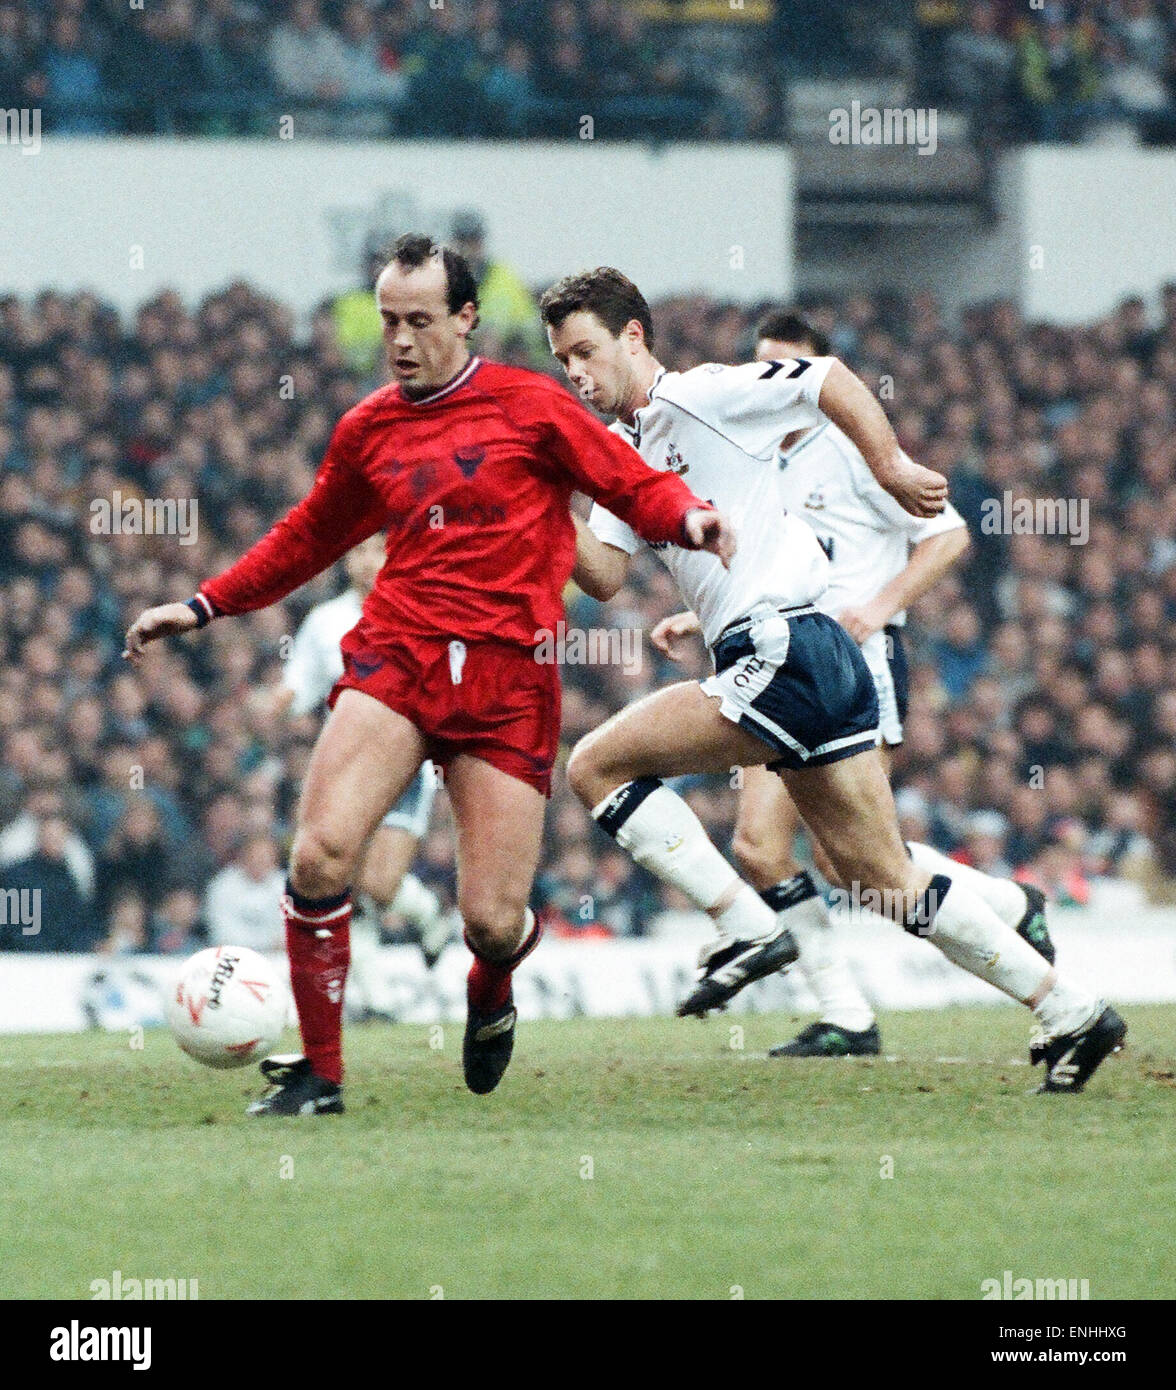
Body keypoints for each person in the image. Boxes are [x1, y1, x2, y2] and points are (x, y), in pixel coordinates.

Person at [124, 234, 732, 1115]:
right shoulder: (369, 427)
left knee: (490, 920)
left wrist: (693, 517)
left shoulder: (533, 407)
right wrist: (205, 604)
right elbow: (307, 536)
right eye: (387, 322)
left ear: (465, 317)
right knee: (324, 851)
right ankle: (321, 1074)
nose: (400, 340)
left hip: (509, 681)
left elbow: (631, 481)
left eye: (418, 321)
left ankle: (491, 990)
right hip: (399, 658)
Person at [540, 267, 1125, 1095]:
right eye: (564, 360)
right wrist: (538, 504)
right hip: (815, 656)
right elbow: (602, 574)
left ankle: (746, 929)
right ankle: (1071, 1010)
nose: (577, 374)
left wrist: (885, 464)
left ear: (634, 337)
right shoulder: (623, 453)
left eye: (587, 351)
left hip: (781, 648)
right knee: (879, 879)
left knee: (593, 767)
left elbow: (824, 377)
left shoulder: (703, 394)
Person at [649, 311, 1055, 1058]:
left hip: (852, 663)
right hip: (777, 659)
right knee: (795, 854)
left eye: (788, 370)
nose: (772, 384)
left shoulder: (849, 452)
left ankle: (960, 961)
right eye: (761, 367)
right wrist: (691, 615)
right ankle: (869, 999)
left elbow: (950, 535)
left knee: (839, 858)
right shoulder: (755, 457)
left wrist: (880, 606)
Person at [272, 530, 452, 977]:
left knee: (379, 883)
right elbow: (298, 688)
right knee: (345, 874)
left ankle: (431, 915)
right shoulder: (325, 621)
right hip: (346, 765)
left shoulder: (423, 611)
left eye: (379, 552)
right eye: (359, 551)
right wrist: (272, 705)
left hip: (407, 764)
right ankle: (368, 994)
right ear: (347, 560)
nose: (369, 561)